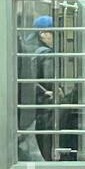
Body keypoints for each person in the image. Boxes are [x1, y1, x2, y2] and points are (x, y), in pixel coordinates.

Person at [18, 14, 58, 161]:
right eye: (53, 33)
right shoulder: (47, 54)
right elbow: (49, 81)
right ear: (42, 33)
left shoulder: (30, 50)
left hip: (32, 107)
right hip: (45, 106)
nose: (55, 37)